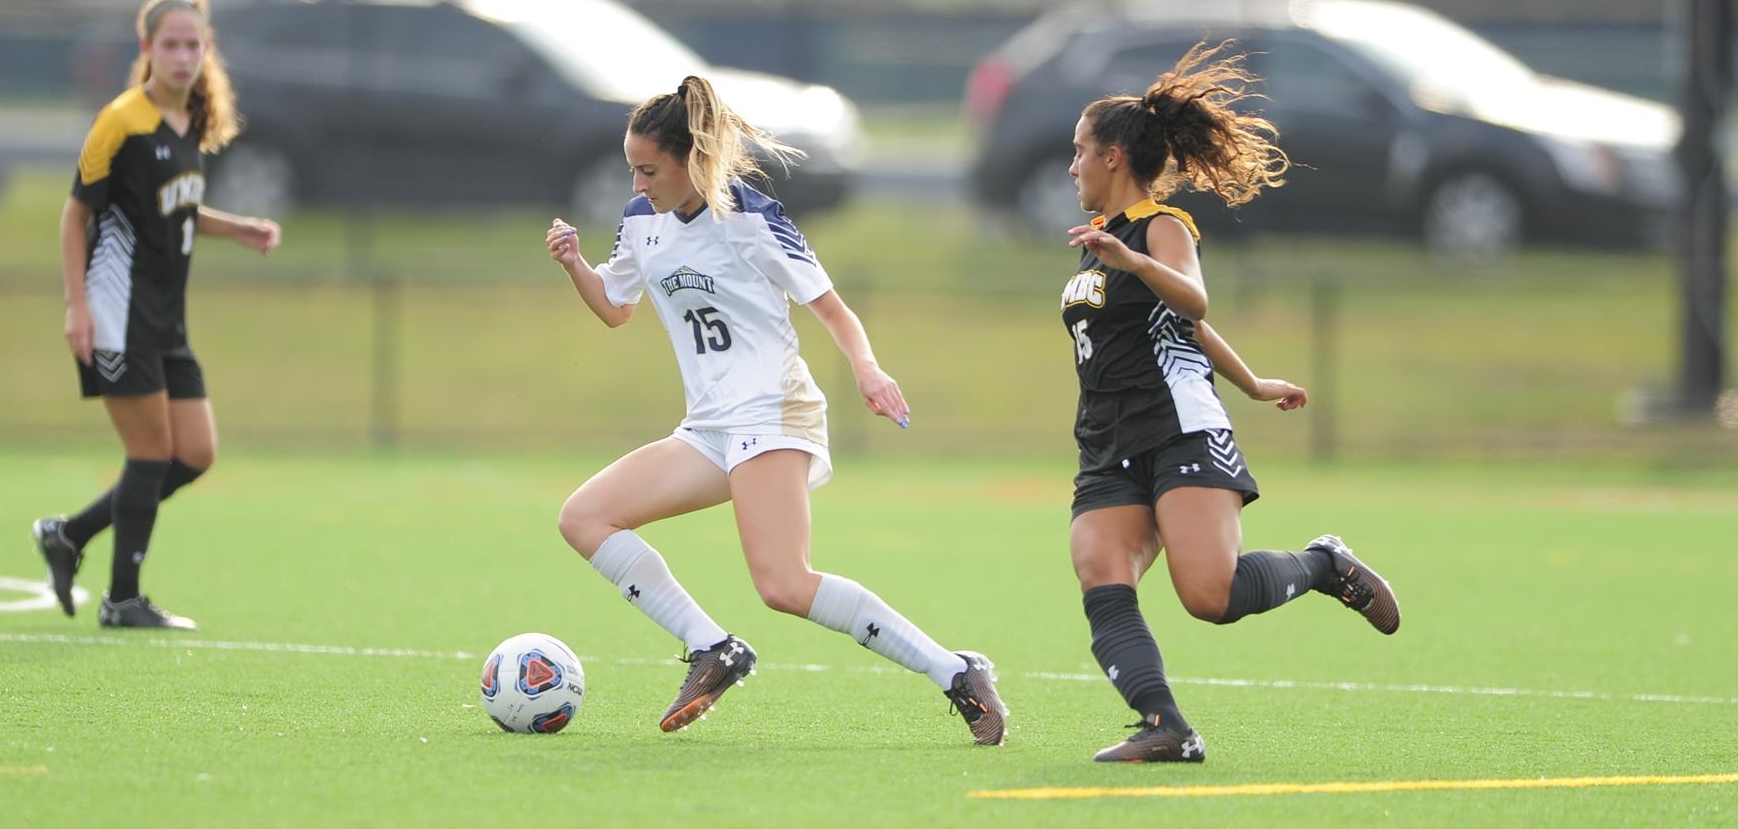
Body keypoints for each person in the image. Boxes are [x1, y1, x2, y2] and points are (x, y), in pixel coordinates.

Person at [545, 75, 1008, 744]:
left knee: (785, 584)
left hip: (773, 412)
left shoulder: (752, 219)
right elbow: (616, 310)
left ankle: (956, 671)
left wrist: (867, 367)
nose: (637, 183)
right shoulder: (640, 222)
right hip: (709, 428)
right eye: (631, 170)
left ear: (690, 160)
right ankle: (713, 648)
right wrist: (574, 267)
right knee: (585, 517)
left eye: (649, 170)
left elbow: (832, 308)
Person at [1060, 41, 1399, 764]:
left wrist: (1138, 260)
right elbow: (1186, 325)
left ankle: (1324, 565)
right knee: (1099, 567)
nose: (1072, 166)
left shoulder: (1161, 228)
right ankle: (1165, 728)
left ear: (1114, 156)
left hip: (1177, 427)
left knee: (1209, 596)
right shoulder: (1100, 244)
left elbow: (1193, 297)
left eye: (1080, 151)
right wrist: (1253, 382)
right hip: (1107, 435)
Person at [32, 0, 281, 631]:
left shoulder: (189, 123)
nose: (182, 56)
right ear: (145, 50)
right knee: (149, 453)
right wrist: (76, 306)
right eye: (169, 44)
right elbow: (74, 216)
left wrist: (240, 229)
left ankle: (70, 534)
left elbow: (176, 207)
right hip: (117, 313)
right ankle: (122, 600)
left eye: (193, 45)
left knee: (193, 454)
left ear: (207, 51)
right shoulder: (122, 120)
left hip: (167, 318)